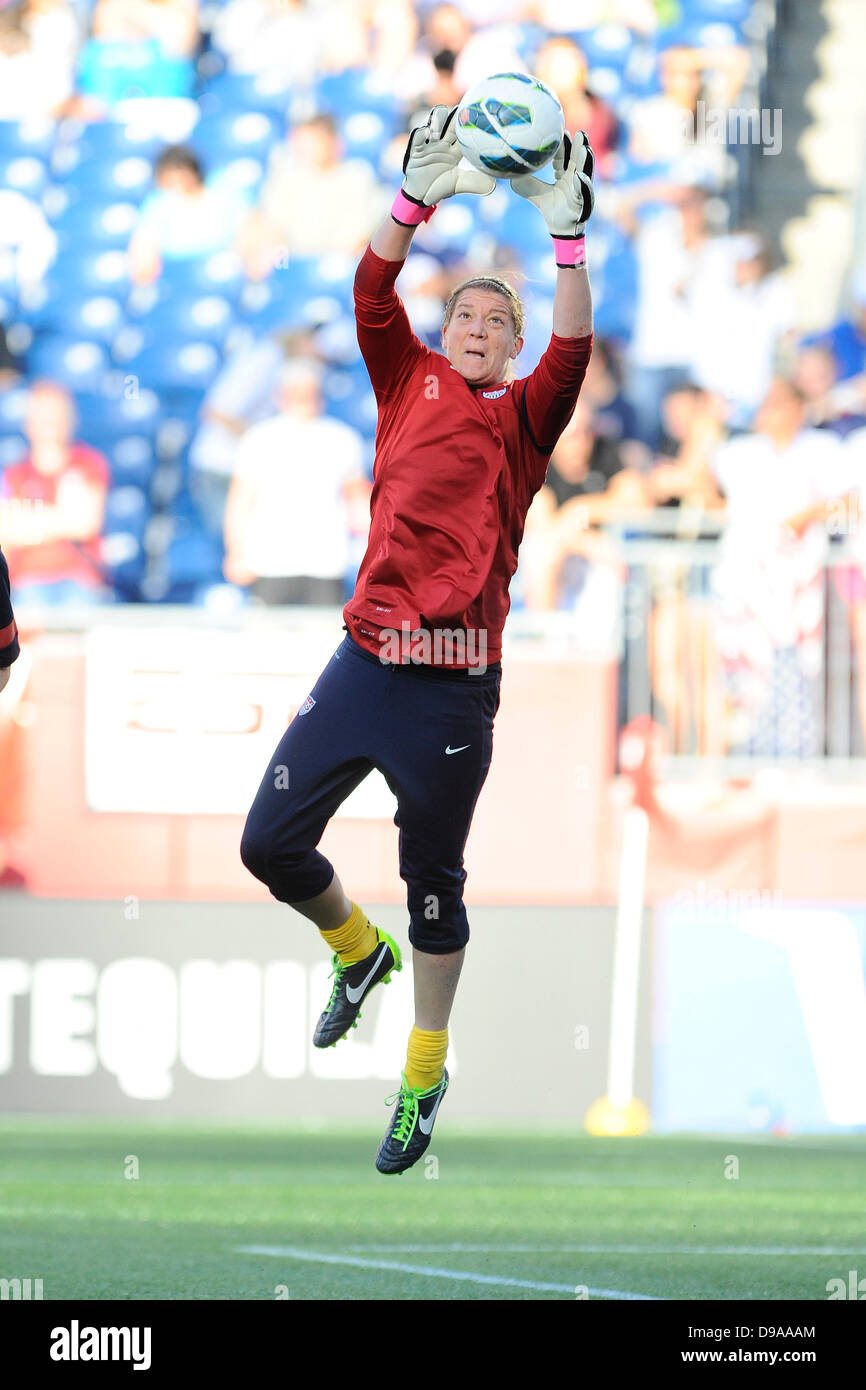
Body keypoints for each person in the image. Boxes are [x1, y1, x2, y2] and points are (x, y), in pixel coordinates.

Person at [239, 107, 595, 1174]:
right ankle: (356, 953)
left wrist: (567, 240)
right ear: (444, 333)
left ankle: (423, 1071)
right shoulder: (406, 381)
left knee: (434, 888)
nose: (481, 323)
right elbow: (368, 293)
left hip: (451, 689)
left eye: (499, 317)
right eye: (467, 313)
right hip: (363, 664)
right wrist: (409, 202)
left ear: (514, 345)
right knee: (267, 844)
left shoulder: (523, 419)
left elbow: (575, 340)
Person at [221, 358, 368, 604]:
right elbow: (241, 501)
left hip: (326, 561)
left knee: (325, 638)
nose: (302, 398)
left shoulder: (341, 439)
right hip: (270, 561)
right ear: (280, 395)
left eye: (308, 392)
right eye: (295, 391)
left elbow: (358, 501)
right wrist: (236, 551)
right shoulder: (258, 439)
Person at [0, 381, 111, 604]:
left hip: (80, 581)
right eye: (42, 416)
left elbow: (85, 524)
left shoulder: (88, 464)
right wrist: (62, 516)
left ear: (70, 420)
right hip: (27, 582)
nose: (49, 423)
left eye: (56, 415)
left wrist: (30, 522)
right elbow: (7, 532)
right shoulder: (13, 475)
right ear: (28, 423)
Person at [127, 145, 251, 286]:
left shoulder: (224, 190)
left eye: (180, 174)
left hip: (225, 272)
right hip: (176, 280)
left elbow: (248, 231)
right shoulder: (157, 204)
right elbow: (143, 248)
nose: (176, 183)